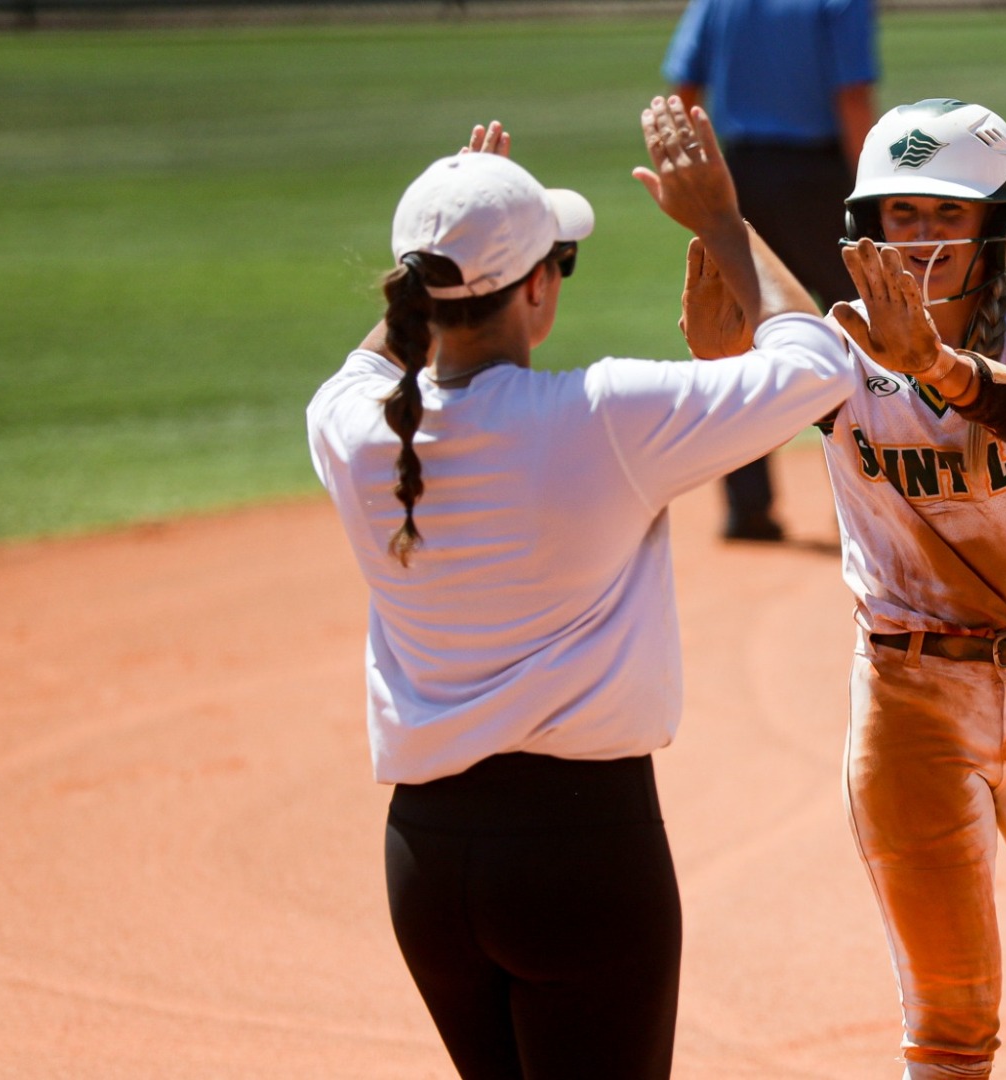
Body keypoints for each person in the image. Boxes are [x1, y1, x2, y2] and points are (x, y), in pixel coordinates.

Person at [304, 100, 853, 1079]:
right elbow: (817, 367)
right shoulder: (600, 417)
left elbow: (373, 359)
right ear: (537, 295)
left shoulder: (350, 430)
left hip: (426, 864)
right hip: (583, 858)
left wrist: (446, 226)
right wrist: (723, 221)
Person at [682, 98, 1006, 1080]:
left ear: (1003, 228)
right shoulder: (833, 350)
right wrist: (719, 222)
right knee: (951, 1035)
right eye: (901, 216)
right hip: (910, 705)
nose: (921, 241)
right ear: (867, 230)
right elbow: (743, 347)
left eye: (947, 215)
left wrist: (936, 366)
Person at [662, 0, 879, 541]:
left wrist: (698, 184)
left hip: (738, 177)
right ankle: (875, 490)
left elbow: (682, 92)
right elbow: (852, 95)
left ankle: (748, 507)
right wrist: (872, 193)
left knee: (736, 335)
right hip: (819, 177)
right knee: (862, 327)